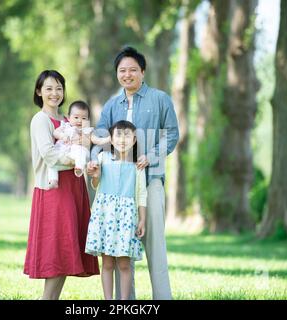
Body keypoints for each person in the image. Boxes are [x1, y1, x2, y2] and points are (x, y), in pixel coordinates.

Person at [88, 46, 179, 300]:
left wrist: (153, 156)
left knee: (154, 245)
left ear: (142, 71)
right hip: (118, 187)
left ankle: (162, 298)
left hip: (151, 180)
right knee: (120, 249)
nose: (127, 75)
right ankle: (124, 302)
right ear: (117, 73)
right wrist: (95, 160)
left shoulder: (160, 99)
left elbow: (172, 133)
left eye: (132, 70)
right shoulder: (111, 105)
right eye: (122, 70)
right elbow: (100, 137)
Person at [23, 70, 99, 300]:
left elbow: (83, 144)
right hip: (54, 191)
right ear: (39, 92)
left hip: (74, 189)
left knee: (66, 253)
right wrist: (78, 159)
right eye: (48, 88)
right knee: (56, 253)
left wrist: (87, 161)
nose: (54, 93)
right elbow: (49, 155)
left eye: (58, 88)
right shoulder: (41, 120)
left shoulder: (67, 120)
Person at [85, 120, 147, 300]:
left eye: (127, 135)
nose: (122, 139)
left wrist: (142, 219)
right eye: (118, 135)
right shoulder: (103, 159)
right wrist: (95, 176)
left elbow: (142, 194)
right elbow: (96, 184)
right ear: (111, 140)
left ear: (134, 140)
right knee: (107, 263)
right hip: (105, 215)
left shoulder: (138, 166)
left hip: (127, 218)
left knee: (124, 264)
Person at [48, 100, 110, 188]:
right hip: (62, 152)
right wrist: (62, 136)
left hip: (77, 154)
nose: (80, 121)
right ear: (69, 117)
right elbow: (55, 133)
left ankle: (79, 167)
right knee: (51, 164)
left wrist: (107, 139)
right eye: (76, 117)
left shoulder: (87, 131)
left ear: (88, 120)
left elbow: (96, 140)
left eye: (84, 118)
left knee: (81, 151)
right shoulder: (65, 126)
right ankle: (53, 180)